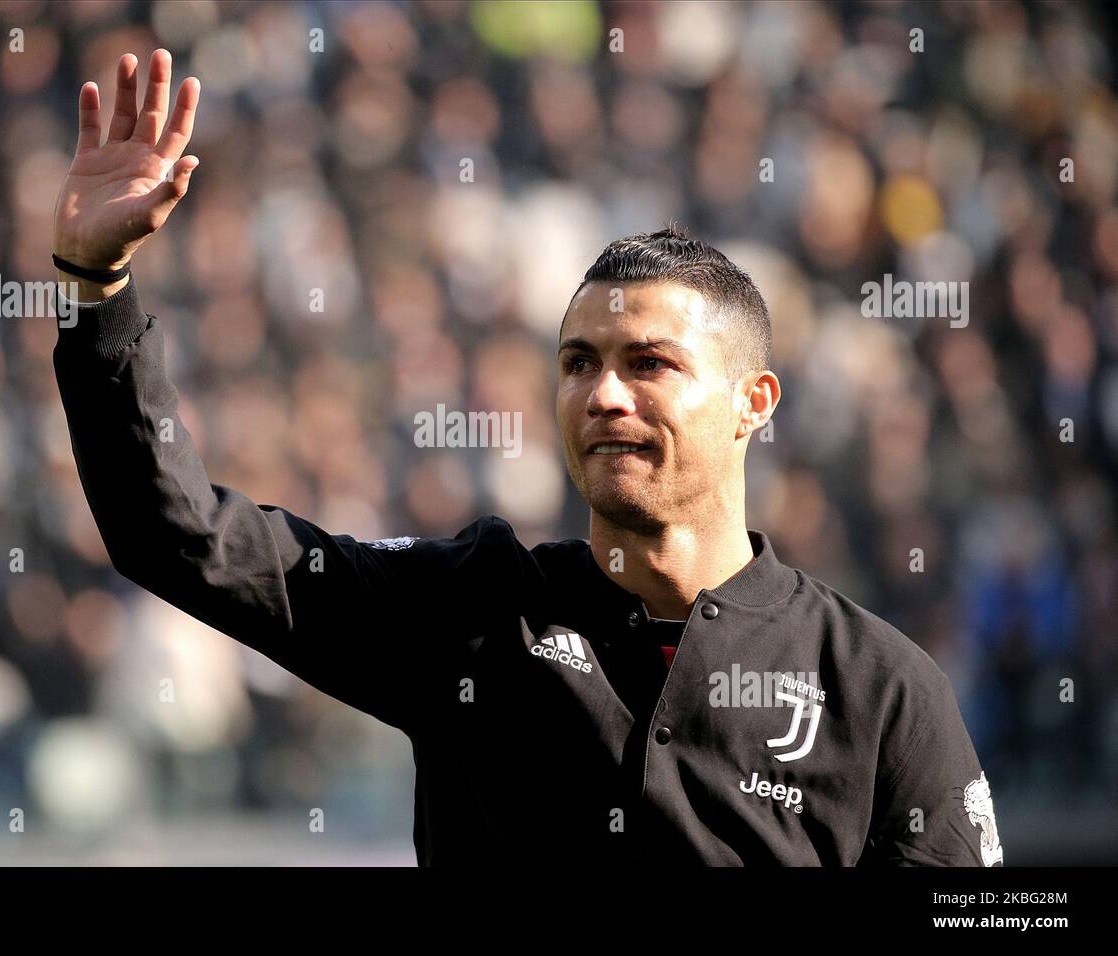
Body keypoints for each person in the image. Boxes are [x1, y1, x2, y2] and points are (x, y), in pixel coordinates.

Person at [51, 49, 1003, 866]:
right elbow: (174, 533)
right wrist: (98, 289)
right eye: (578, 363)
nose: (604, 394)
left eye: (650, 364)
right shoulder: (470, 613)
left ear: (755, 402)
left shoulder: (881, 691)